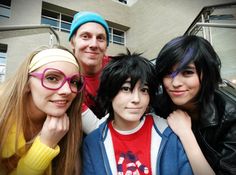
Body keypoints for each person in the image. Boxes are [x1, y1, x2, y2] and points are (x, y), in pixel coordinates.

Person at [82, 51, 193, 175]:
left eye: (144, 90)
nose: (136, 99)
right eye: (126, 89)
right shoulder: (93, 142)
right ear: (109, 92)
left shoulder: (167, 133)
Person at [154, 35, 236, 175]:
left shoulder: (229, 116)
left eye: (187, 72)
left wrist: (186, 134)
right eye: (168, 73)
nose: (175, 83)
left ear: (207, 74)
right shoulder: (157, 106)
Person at [0, 45, 84, 175]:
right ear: (27, 82)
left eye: (73, 81)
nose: (67, 90)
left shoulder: (69, 125)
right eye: (52, 78)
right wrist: (45, 145)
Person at [69, 11, 110, 133]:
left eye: (100, 38)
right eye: (85, 36)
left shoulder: (120, 69)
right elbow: (95, 130)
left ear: (106, 45)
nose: (93, 44)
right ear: (72, 42)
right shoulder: (65, 77)